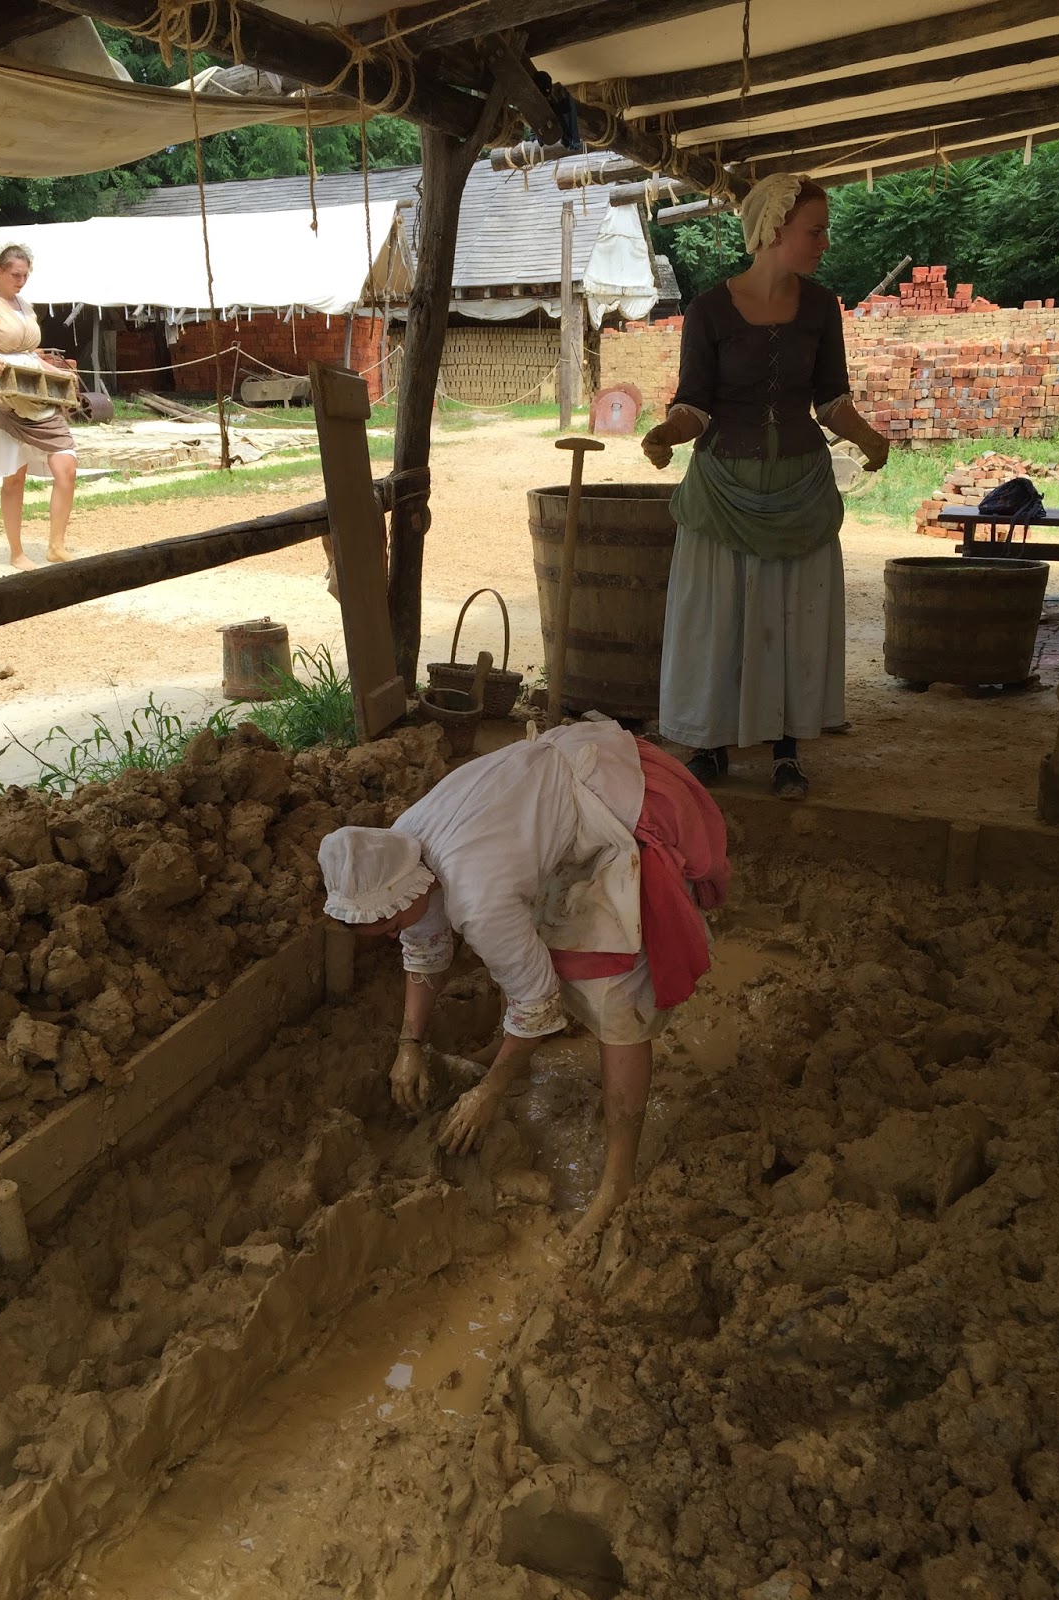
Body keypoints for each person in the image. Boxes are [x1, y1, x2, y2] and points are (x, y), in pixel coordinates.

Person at [318, 718, 730, 1239]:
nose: (390, 931)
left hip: (619, 802)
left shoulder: (477, 899)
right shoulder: (398, 845)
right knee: (539, 941)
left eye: (390, 921)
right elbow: (422, 940)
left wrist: (490, 1092)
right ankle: (506, 1056)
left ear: (407, 889)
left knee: (616, 1000)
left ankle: (617, 1178)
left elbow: (537, 1001)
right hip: (563, 784)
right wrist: (410, 1044)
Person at [641, 173, 890, 801]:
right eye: (816, 230)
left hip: (800, 487)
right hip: (723, 487)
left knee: (791, 617)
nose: (825, 242)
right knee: (721, 617)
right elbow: (694, 405)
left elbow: (831, 399)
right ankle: (711, 743)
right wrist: (666, 434)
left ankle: (787, 747)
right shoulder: (708, 310)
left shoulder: (820, 306)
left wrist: (867, 437)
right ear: (775, 230)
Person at [0, 243, 78, 571]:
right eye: (15, 275)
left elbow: (30, 351)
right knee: (15, 475)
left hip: (33, 389)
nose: (21, 281)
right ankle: (17, 552)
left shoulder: (24, 305)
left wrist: (53, 370)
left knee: (66, 464)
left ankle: (56, 545)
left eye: (25, 275)